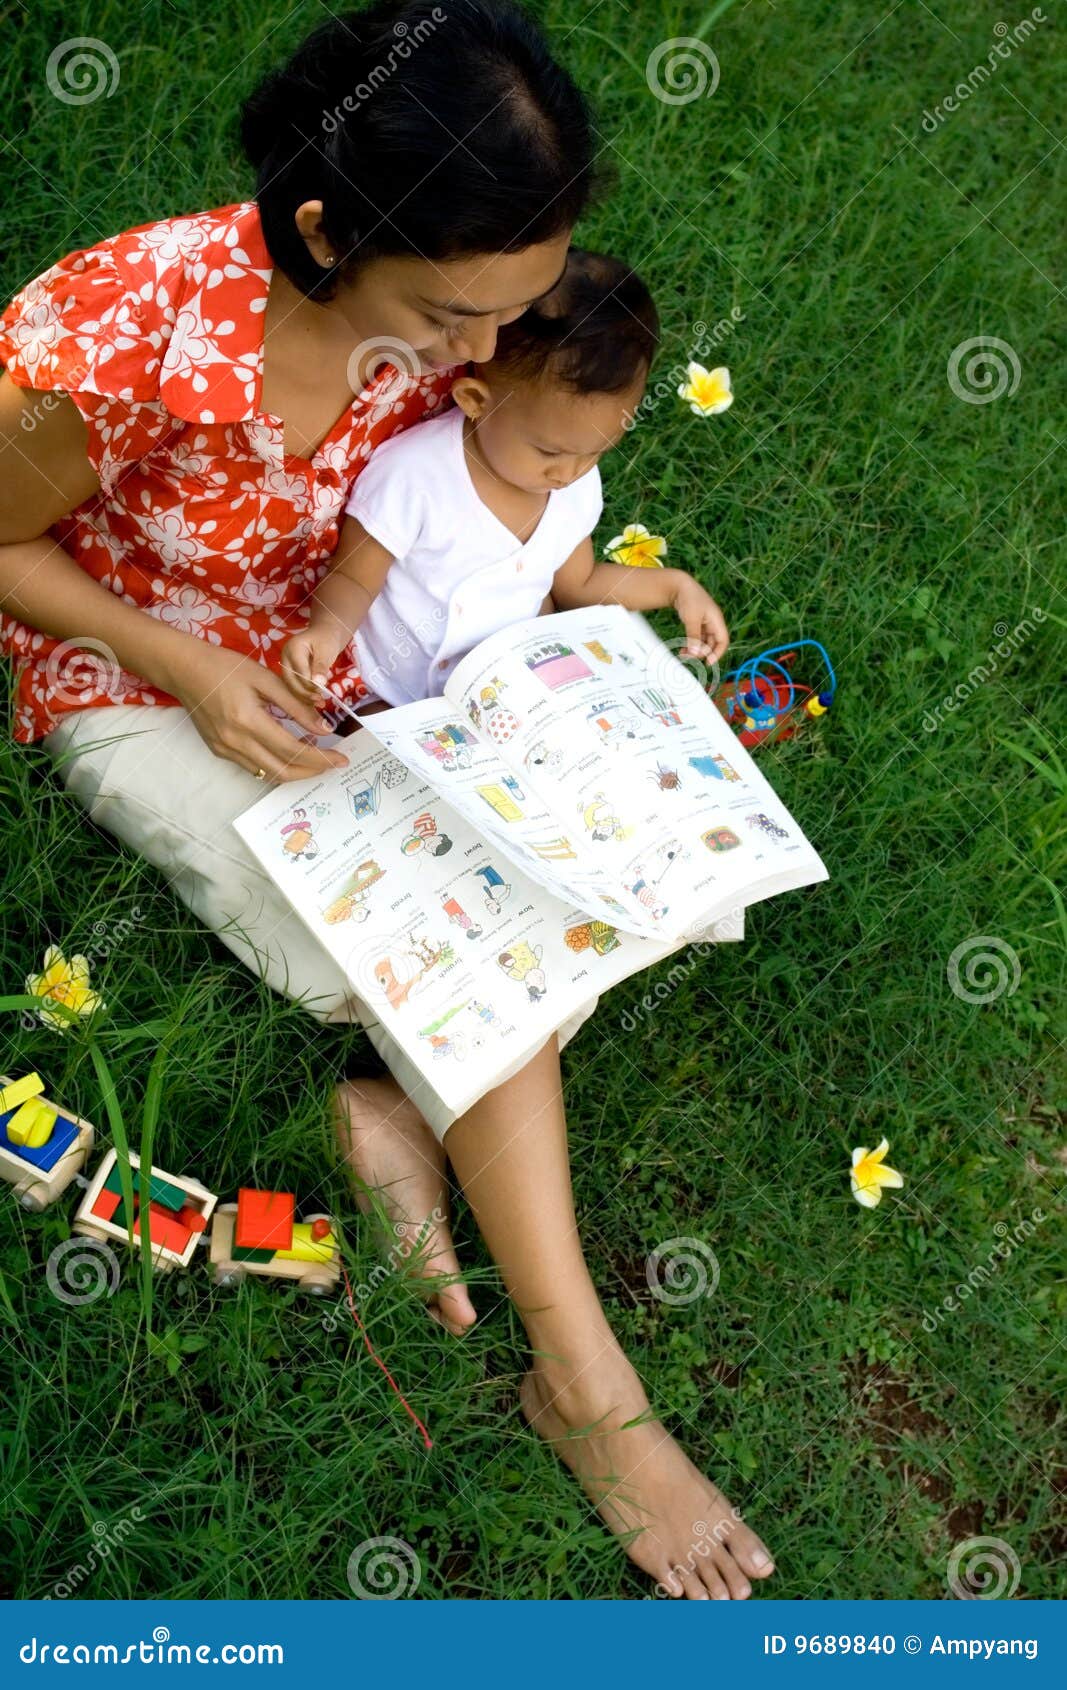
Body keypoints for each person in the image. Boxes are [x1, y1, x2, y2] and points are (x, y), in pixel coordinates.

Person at [0, 0, 774, 1599]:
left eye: (512, 311)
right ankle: (588, 1390)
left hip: (371, 670)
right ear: (318, 231)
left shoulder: (464, 343)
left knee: (608, 883)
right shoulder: (109, 342)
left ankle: (391, 1110)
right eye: (451, 313)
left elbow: (498, 494)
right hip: (144, 675)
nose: (483, 356)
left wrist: (569, 614)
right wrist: (189, 668)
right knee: (452, 948)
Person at [280, 248, 729, 710]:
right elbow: (353, 579)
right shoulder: (416, 476)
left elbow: (580, 583)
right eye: (549, 451)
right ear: (476, 399)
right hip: (386, 688)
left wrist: (675, 587)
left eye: (596, 451)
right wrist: (327, 632)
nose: (570, 472)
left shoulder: (572, 487)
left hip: (504, 697)